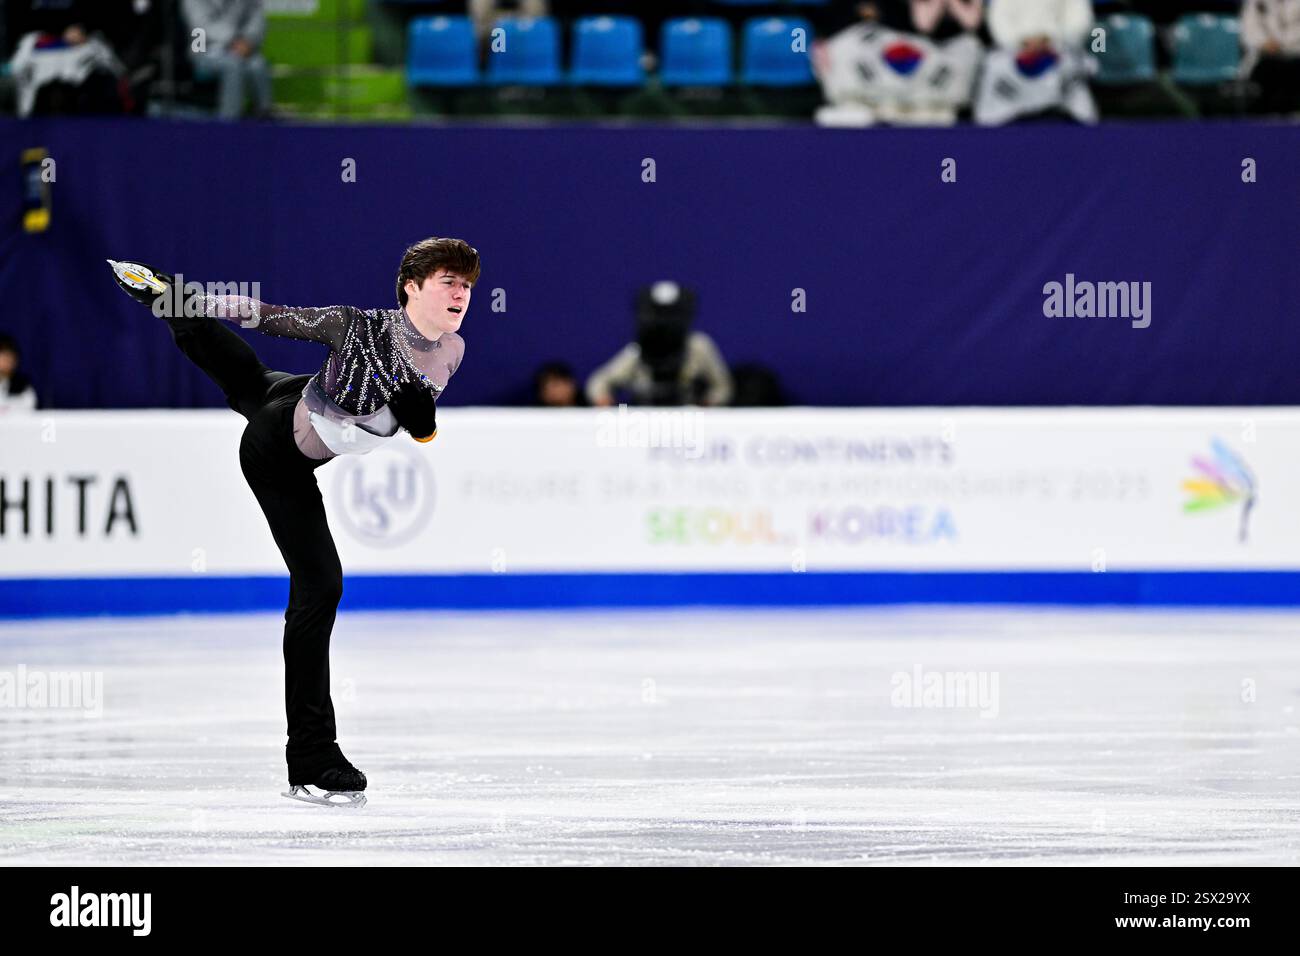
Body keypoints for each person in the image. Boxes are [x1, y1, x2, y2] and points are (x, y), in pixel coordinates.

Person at [108, 238, 478, 807]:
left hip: (296, 400)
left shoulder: (451, 349)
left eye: (468, 285)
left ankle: (164, 297)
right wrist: (202, 300)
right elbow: (265, 315)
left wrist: (421, 423)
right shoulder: (354, 327)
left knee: (248, 380)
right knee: (320, 587)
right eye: (449, 281)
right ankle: (311, 756)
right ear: (411, 286)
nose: (461, 293)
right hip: (278, 448)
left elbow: (417, 429)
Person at [586, 281, 732, 407]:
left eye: (671, 314)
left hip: (689, 419)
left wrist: (707, 405)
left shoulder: (698, 346)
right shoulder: (638, 349)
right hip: (646, 419)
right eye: (660, 314)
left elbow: (723, 387)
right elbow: (598, 382)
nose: (665, 322)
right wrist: (604, 401)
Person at [181, 0, 271, 120]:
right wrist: (232, 40)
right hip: (202, 50)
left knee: (257, 65)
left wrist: (249, 40)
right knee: (233, 65)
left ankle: (263, 121)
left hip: (241, 48)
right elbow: (199, 26)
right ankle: (229, 124)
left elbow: (257, 17)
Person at [1242, 0, 1300, 116]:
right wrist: (1264, 43)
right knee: (1267, 69)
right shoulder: (1255, 2)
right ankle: (1265, 120)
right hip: (1265, 58)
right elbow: (1249, 30)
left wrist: (1285, 45)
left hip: (1296, 55)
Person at [0, 333, 38, 413]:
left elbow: (29, 409)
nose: (6, 361)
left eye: (10, 357)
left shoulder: (22, 386)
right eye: (3, 356)